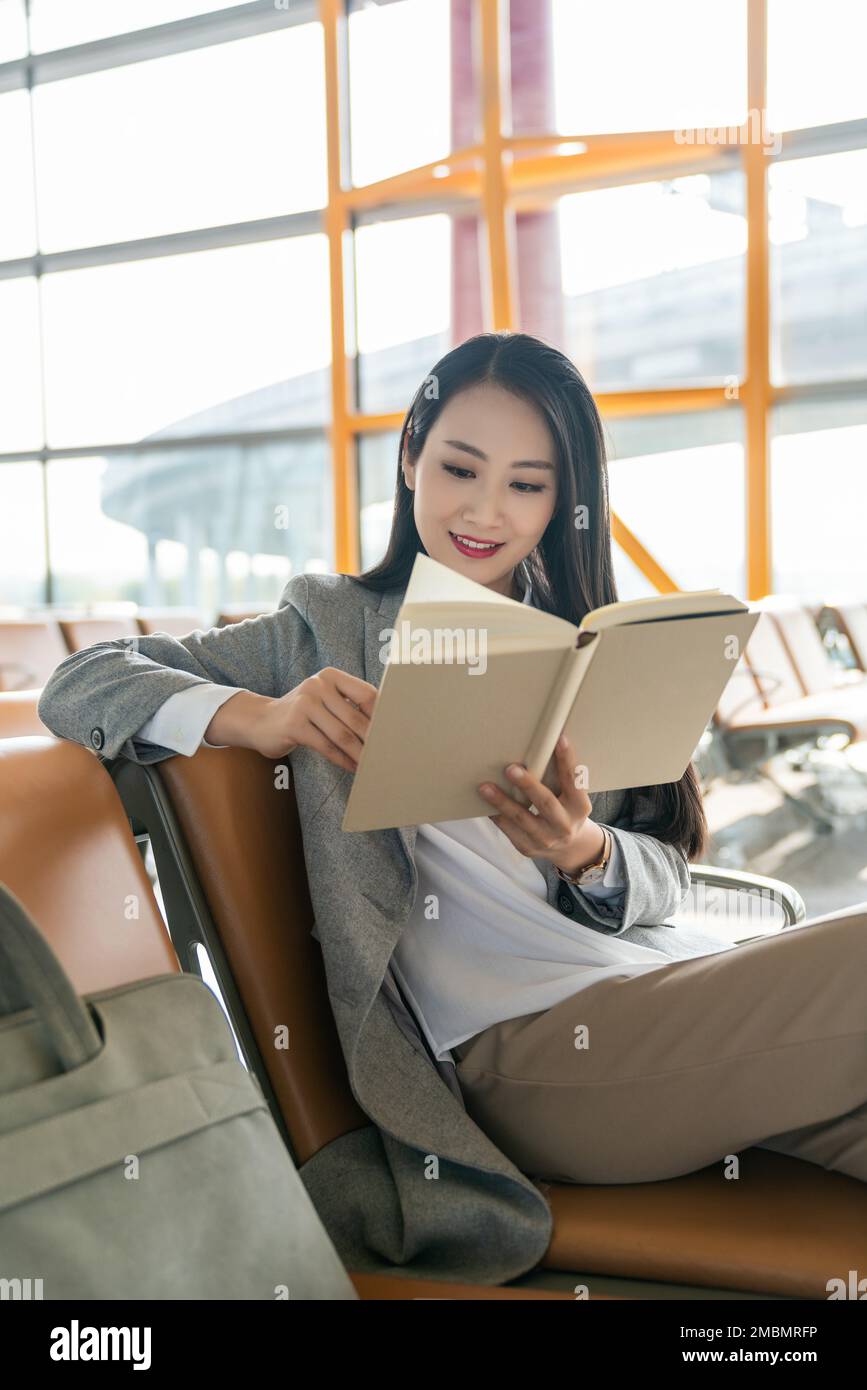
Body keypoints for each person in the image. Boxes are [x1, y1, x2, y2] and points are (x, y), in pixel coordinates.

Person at [37, 332, 867, 1286]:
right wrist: (258, 716)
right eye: (460, 469)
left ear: (562, 500)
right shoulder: (325, 628)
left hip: (654, 996)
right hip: (529, 1062)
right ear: (410, 459)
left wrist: (582, 851)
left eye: (527, 484)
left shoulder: (584, 642)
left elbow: (665, 875)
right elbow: (83, 679)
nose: (484, 510)